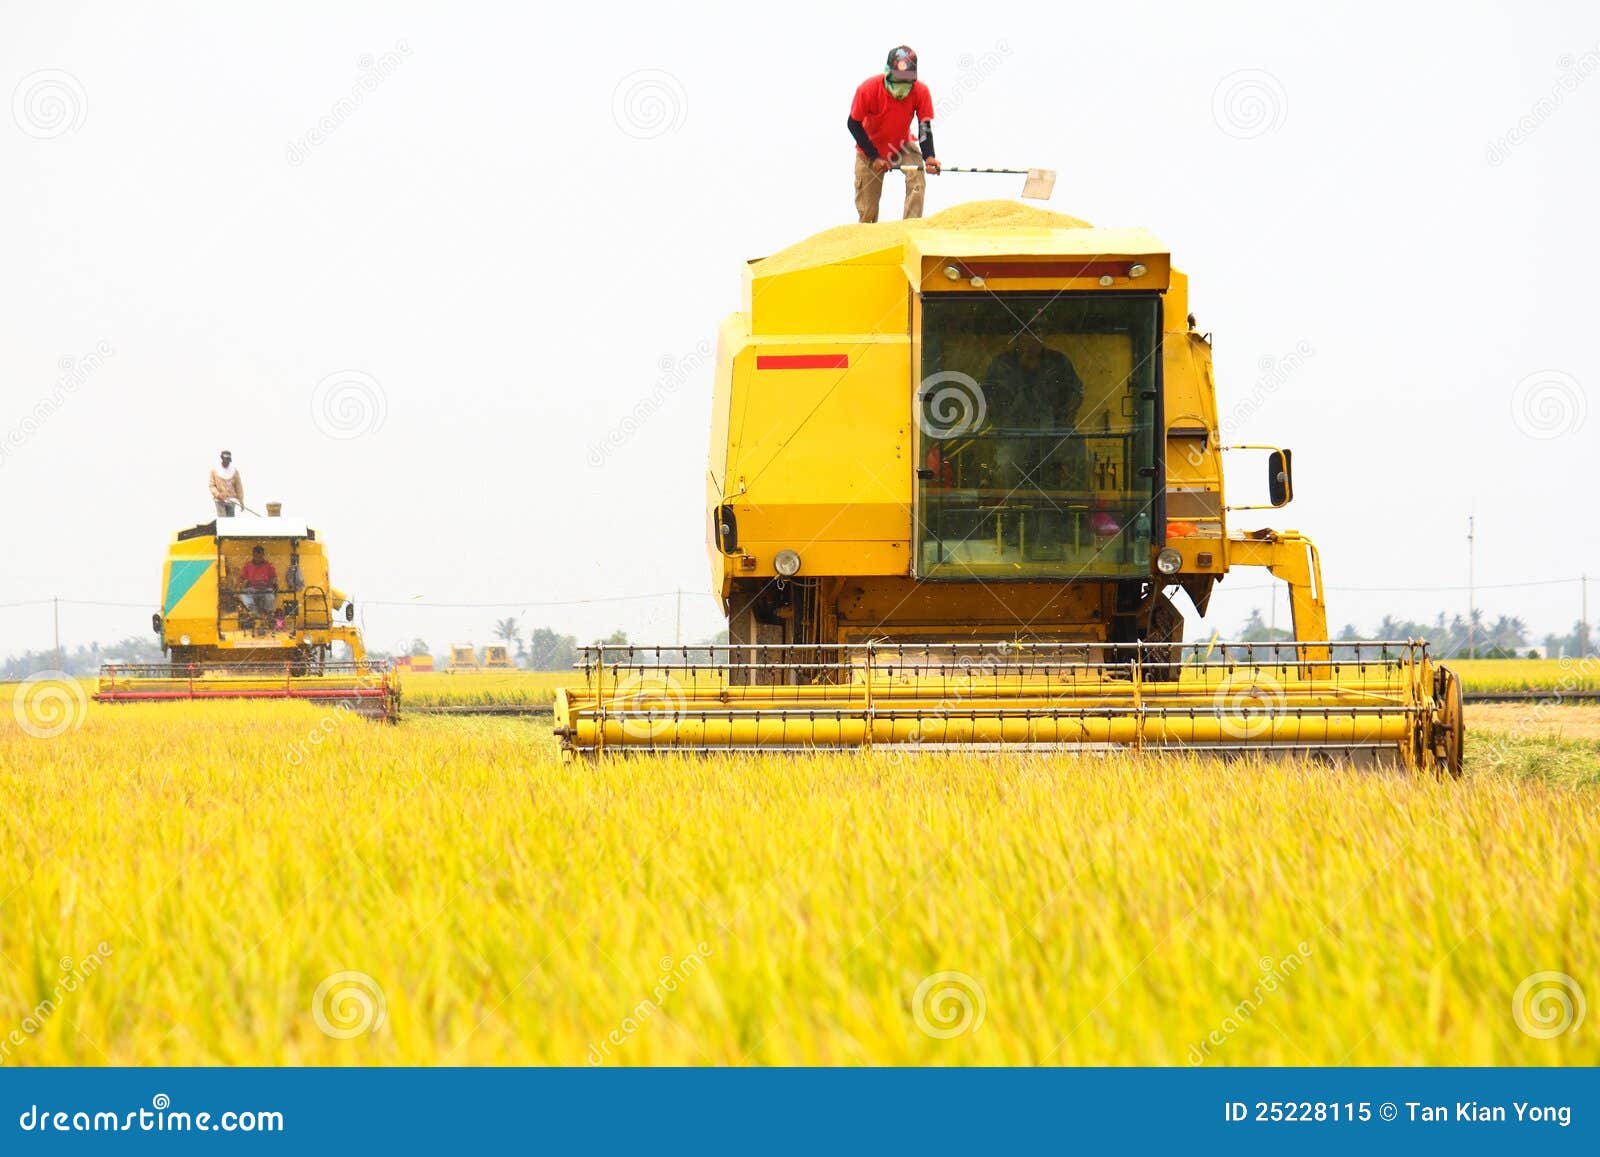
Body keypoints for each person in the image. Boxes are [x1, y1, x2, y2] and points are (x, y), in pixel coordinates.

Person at [847, 45, 939, 223]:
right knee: (868, 212)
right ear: (887, 73)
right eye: (897, 82)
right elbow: (853, 124)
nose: (901, 88)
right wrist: (874, 157)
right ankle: (868, 239)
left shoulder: (921, 91)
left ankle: (911, 226)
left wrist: (929, 156)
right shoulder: (868, 89)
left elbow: (924, 126)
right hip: (869, 151)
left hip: (901, 144)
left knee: (917, 178)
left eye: (906, 83)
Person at [982, 333, 1086, 489]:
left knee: (1083, 460)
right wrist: (1001, 425)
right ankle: (1013, 508)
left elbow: (1076, 394)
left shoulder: (1059, 362)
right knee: (1005, 466)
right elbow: (986, 397)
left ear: (1042, 335)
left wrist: (1064, 423)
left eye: (1036, 332)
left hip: (1056, 432)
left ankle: (1067, 508)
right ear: (1017, 337)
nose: (1031, 339)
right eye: (1026, 333)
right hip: (1014, 434)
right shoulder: (1000, 365)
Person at [238, 545, 277, 619]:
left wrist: (272, 583)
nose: (258, 558)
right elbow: (242, 578)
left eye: (260, 556)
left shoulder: (269, 565)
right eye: (256, 556)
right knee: (243, 594)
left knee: (270, 597)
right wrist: (240, 583)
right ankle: (254, 611)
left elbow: (274, 577)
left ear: (263, 555)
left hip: (266, 589)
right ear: (253, 555)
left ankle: (268, 614)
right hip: (252, 589)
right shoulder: (248, 565)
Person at [209, 450, 244, 517]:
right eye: (225, 460)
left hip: (231, 500)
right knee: (223, 520)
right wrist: (218, 494)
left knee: (230, 521)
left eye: (228, 460)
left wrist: (241, 500)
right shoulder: (214, 470)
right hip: (220, 500)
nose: (227, 462)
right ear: (222, 459)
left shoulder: (234, 471)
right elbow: (211, 485)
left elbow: (239, 487)